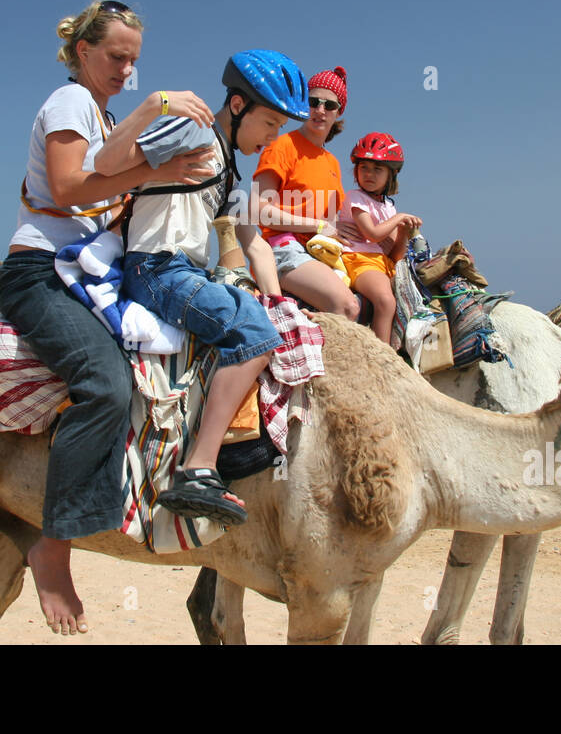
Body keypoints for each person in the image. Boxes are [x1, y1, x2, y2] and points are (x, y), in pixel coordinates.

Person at [0, 0, 217, 636]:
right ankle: (53, 547)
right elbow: (67, 191)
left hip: (81, 268)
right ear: (83, 51)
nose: (126, 69)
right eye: (117, 57)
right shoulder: (68, 105)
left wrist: (167, 173)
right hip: (39, 272)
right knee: (107, 385)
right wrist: (154, 122)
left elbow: (107, 192)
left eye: (134, 61)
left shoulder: (100, 113)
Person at [106, 49, 310, 524]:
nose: (272, 137)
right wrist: (155, 107)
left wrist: (275, 298)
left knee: (268, 315)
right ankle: (198, 469)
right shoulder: (195, 128)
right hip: (157, 268)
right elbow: (109, 163)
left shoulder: (230, 165)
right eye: (271, 123)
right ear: (237, 106)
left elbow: (252, 242)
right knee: (253, 334)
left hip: (188, 271)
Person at [254, 65, 360, 318]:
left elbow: (335, 221)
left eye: (329, 105)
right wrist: (319, 226)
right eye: (313, 102)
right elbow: (259, 212)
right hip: (283, 248)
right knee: (347, 306)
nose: (320, 110)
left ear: (338, 112)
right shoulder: (281, 146)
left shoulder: (332, 162)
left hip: (321, 250)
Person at [335, 132, 423, 343]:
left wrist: (403, 231)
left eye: (377, 169)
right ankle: (383, 356)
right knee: (385, 301)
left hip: (382, 262)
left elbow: (393, 252)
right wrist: (400, 218)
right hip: (360, 260)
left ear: (390, 175)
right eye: (364, 167)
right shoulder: (356, 198)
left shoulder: (389, 206)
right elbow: (372, 234)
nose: (369, 174)